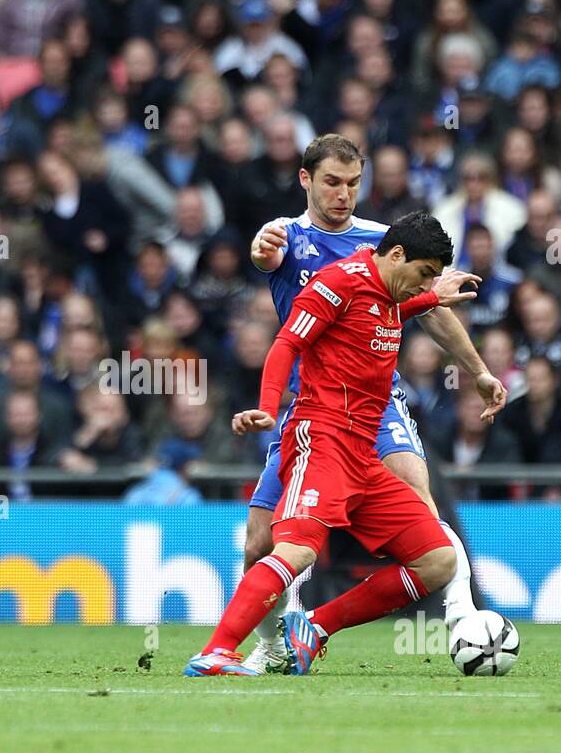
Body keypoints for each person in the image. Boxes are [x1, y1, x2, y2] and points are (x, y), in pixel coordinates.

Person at [236, 134, 507, 675]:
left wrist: (477, 370)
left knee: (418, 498)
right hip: (310, 406)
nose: (344, 195)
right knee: (259, 544)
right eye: (332, 183)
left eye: (354, 184)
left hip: (377, 401)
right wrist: (260, 250)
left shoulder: (386, 242)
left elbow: (431, 310)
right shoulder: (286, 238)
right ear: (306, 180)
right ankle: (275, 642)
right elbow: (262, 253)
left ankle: (463, 615)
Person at [185, 212, 480, 676]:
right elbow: (286, 343)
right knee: (292, 549)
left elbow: (383, 312)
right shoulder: (337, 280)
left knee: (438, 559)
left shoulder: (385, 293)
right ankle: (218, 650)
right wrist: (266, 405)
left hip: (363, 454)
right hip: (322, 438)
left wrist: (430, 296)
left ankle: (314, 628)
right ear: (398, 255)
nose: (423, 284)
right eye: (424, 273)